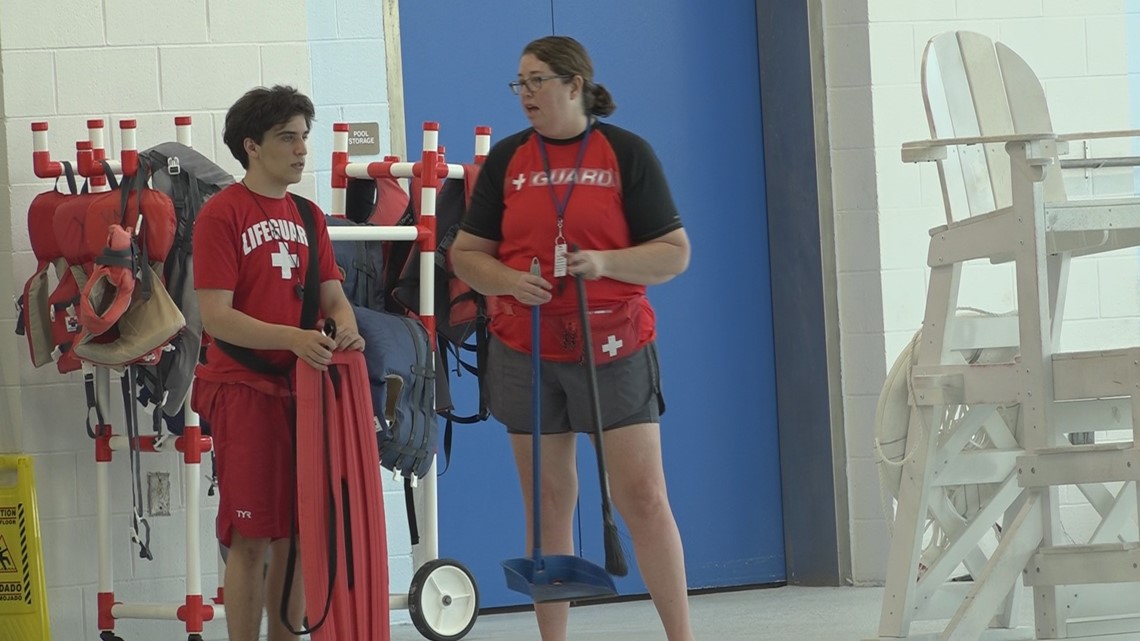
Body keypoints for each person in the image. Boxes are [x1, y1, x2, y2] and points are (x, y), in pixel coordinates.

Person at [451, 36, 694, 641]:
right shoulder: (508, 160)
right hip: (525, 346)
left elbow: (674, 255)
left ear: (573, 84)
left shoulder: (626, 153)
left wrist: (605, 264)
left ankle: (682, 635)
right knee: (548, 503)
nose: (525, 93)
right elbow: (466, 256)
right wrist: (508, 279)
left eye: (536, 80)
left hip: (613, 345)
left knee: (643, 496)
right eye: (520, 83)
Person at [191, 85, 364, 641]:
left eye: (304, 137)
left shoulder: (310, 216)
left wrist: (349, 327)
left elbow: (333, 297)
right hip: (242, 390)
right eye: (287, 138)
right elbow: (216, 316)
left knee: (298, 528)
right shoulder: (221, 215)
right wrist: (292, 338)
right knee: (251, 535)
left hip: (304, 390)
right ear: (252, 146)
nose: (300, 149)